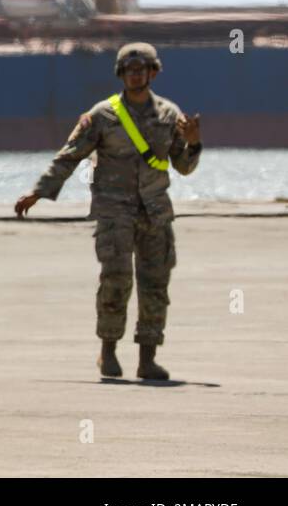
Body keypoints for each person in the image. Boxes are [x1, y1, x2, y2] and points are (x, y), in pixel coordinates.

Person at [14, 43, 201, 381]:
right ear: (120, 73)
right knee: (116, 280)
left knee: (155, 284)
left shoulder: (170, 115)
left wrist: (194, 142)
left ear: (153, 72)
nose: (135, 74)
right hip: (114, 211)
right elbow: (69, 156)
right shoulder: (102, 115)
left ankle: (148, 358)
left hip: (156, 212)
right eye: (129, 69)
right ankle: (108, 351)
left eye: (142, 68)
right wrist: (38, 191)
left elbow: (184, 167)